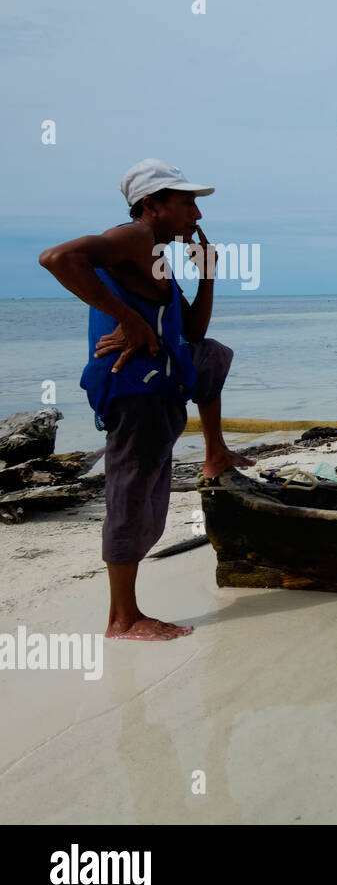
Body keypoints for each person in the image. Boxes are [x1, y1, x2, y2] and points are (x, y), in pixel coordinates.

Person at [38, 158, 254, 641]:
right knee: (132, 496)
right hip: (135, 388)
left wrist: (208, 276)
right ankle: (123, 618)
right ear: (151, 206)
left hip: (164, 379)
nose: (196, 216)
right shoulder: (133, 238)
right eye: (186, 203)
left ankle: (215, 454)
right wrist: (126, 319)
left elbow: (194, 331)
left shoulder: (158, 254)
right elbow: (57, 258)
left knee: (211, 356)